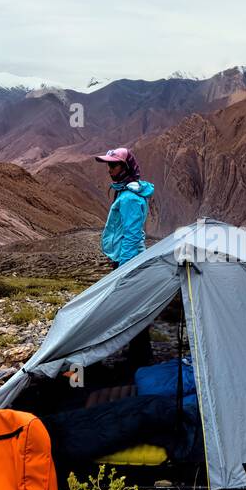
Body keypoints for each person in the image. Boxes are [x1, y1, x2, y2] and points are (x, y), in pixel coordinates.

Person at [95, 147, 154, 368]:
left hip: (129, 260)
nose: (109, 169)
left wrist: (124, 268)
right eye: (108, 165)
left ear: (126, 166)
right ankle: (139, 355)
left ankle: (140, 359)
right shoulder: (126, 192)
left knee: (130, 307)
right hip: (127, 258)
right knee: (133, 307)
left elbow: (131, 234)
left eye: (114, 165)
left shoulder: (129, 198)